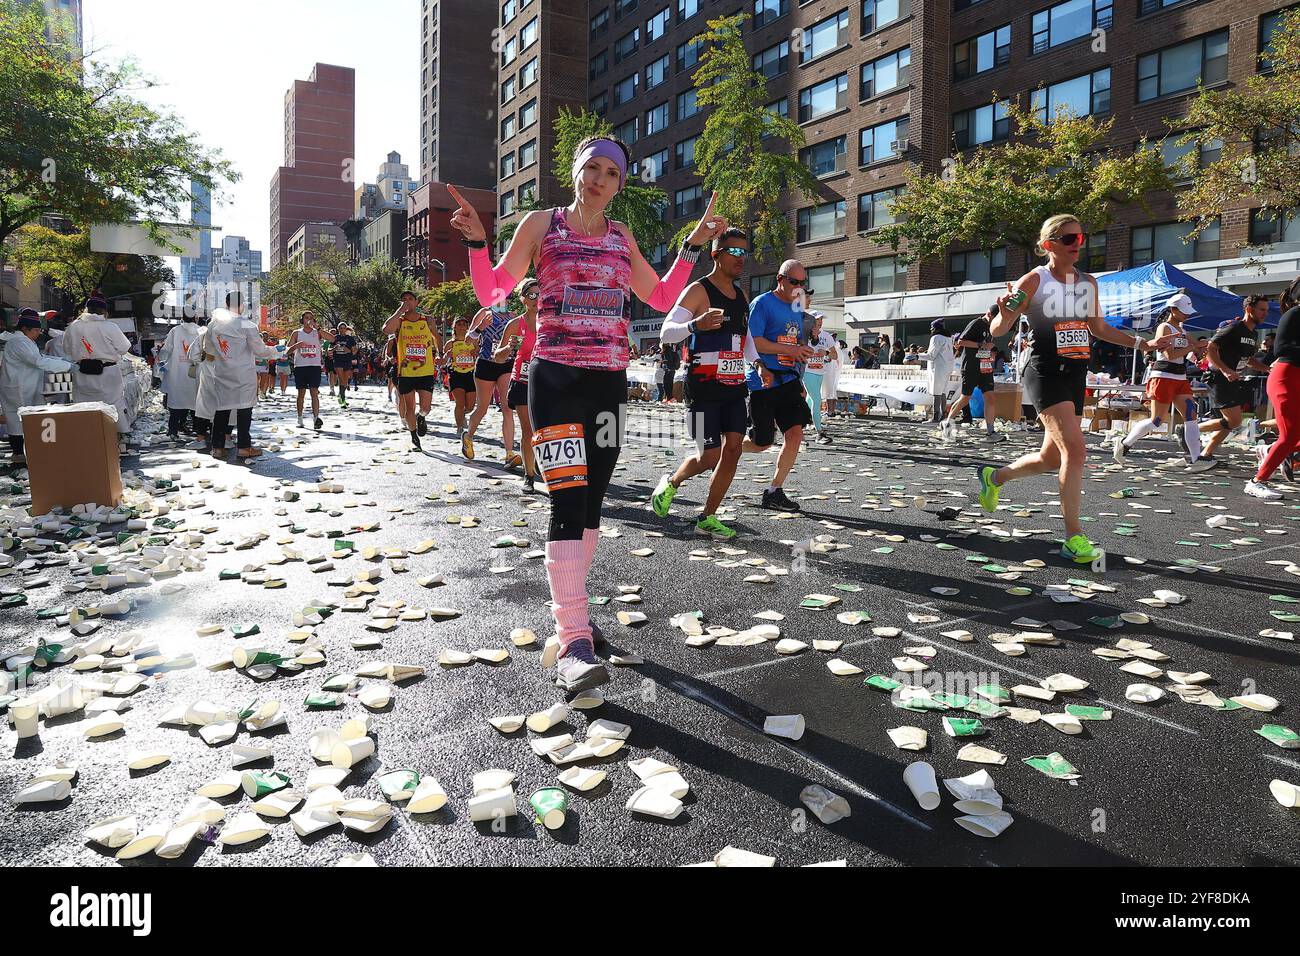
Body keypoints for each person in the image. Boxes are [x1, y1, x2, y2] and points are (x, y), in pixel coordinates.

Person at [447, 134, 726, 694]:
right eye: (591, 168)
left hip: (608, 384)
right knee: (568, 498)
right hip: (554, 380)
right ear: (575, 172)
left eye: (611, 173)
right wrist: (478, 243)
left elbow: (659, 295)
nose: (599, 179)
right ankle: (573, 638)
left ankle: (575, 617)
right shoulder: (539, 224)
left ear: (620, 185)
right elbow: (495, 291)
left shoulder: (622, 236)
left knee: (593, 502)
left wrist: (692, 247)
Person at [975, 214, 1166, 564]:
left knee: (1052, 457)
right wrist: (1002, 313)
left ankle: (994, 477)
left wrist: (1142, 344)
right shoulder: (1033, 280)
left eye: (1081, 237)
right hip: (1044, 370)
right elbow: (1001, 330)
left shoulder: (1088, 283)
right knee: (1076, 451)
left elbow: (1098, 328)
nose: (1078, 244)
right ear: (1049, 245)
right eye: (1068, 239)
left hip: (1076, 371)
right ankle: (1073, 536)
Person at [651, 227, 759, 539]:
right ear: (716, 254)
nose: (741, 258)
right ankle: (672, 483)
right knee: (710, 456)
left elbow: (746, 338)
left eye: (744, 252)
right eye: (734, 252)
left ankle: (707, 517)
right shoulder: (698, 291)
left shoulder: (741, 296)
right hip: (702, 388)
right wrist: (695, 324)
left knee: (734, 450)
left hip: (734, 388)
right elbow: (666, 332)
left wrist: (759, 363)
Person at [740, 259, 816, 512]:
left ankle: (774, 491)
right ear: (780, 279)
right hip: (764, 380)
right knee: (763, 443)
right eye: (794, 282)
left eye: (802, 283)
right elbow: (755, 343)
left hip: (789, 380)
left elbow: (794, 346)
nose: (798, 287)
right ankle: (728, 448)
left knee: (795, 434)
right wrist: (790, 349)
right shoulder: (762, 303)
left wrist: (799, 372)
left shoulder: (797, 306)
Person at [1114, 293, 1201, 464]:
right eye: (1184, 311)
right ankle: (1125, 443)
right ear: (1172, 310)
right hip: (1164, 376)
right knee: (1157, 420)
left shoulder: (1183, 330)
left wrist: (1201, 349)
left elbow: (1195, 348)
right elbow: (1169, 355)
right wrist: (1193, 346)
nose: (1187, 314)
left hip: (1180, 377)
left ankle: (1197, 459)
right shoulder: (1165, 328)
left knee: (1191, 415)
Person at [192, 291, 277, 461]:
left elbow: (208, 350)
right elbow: (260, 350)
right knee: (244, 410)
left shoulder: (214, 325)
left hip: (222, 373)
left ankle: (217, 448)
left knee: (222, 410)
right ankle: (244, 447)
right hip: (243, 375)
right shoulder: (247, 325)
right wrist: (275, 351)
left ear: (226, 303)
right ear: (242, 305)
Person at [1192, 295, 1274, 471]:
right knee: (1234, 420)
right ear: (1249, 309)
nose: (1265, 314)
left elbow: (1249, 359)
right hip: (1219, 378)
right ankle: (1191, 432)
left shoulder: (1252, 333)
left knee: (1232, 421)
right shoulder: (1234, 327)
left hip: (1232, 379)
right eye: (1262, 310)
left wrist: (1266, 368)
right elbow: (1211, 348)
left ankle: (1205, 453)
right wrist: (1225, 370)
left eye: (1267, 310)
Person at [1246, 278, 1300, 499]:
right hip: (1286, 376)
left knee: (1291, 435)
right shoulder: (1295, 314)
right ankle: (1256, 481)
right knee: (1288, 435)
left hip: (1293, 375)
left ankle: (1277, 452)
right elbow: (1281, 348)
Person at [63, 292, 132, 455]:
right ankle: (116, 441)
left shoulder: (74, 326)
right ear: (104, 311)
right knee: (113, 406)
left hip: (82, 373)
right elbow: (124, 347)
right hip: (108, 373)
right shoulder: (110, 327)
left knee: (83, 406)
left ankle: (87, 443)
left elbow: (66, 348)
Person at [0, 311, 71, 464]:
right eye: (36, 330)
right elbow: (38, 361)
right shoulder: (19, 342)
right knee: (17, 420)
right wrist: (68, 366)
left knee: (24, 419)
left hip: (25, 385)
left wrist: (62, 362)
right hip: (18, 387)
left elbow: (41, 358)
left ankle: (28, 451)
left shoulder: (25, 341)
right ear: (25, 329)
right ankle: (18, 453)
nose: (38, 333)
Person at [493, 277, 541, 490]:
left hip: (547, 381)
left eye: (539, 294)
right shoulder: (514, 324)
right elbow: (498, 357)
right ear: (522, 299)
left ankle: (543, 465)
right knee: (528, 430)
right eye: (531, 295)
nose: (536, 299)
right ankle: (529, 476)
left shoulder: (550, 322)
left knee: (548, 429)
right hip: (522, 381)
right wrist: (508, 348)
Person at [382, 290, 442, 450]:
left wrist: (440, 354)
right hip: (406, 372)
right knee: (410, 407)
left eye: (410, 299)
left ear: (416, 303)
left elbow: (437, 337)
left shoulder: (427, 320)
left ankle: (421, 417)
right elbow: (386, 329)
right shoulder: (399, 321)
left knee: (426, 407)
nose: (407, 302)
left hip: (426, 371)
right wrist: (399, 311)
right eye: (403, 300)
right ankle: (413, 435)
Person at [461, 305, 516, 462]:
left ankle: (509, 453)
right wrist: (480, 328)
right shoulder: (484, 313)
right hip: (486, 364)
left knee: (507, 407)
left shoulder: (513, 315)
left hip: (506, 364)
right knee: (482, 408)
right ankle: (468, 436)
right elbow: (467, 340)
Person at [942, 304, 1004, 442]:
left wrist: (990, 350)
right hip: (971, 365)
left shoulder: (992, 328)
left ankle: (990, 431)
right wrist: (981, 346)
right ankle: (947, 422)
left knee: (990, 397)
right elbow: (960, 341)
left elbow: (989, 345)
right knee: (965, 397)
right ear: (989, 314)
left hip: (985, 366)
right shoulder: (976, 323)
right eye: (995, 318)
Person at [286, 311, 333, 430]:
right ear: (302, 320)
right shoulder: (296, 333)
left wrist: (319, 328)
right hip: (300, 366)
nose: (309, 320)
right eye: (306, 318)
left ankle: (316, 418)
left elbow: (332, 339)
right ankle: (300, 418)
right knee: (301, 393)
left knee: (314, 392)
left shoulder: (317, 332)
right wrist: (296, 346)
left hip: (314, 366)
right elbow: (287, 350)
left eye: (311, 318)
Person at [157, 313, 201, 440]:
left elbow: (167, 349)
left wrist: (162, 363)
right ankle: (200, 433)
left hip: (177, 374)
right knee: (196, 403)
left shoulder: (175, 331)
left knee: (176, 403)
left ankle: (173, 431)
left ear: (182, 317)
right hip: (195, 373)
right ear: (195, 318)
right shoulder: (201, 331)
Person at [801, 310, 838, 444]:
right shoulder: (804, 334)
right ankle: (819, 432)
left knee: (811, 401)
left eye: (821, 319)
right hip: (807, 371)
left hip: (820, 372)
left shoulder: (826, 336)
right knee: (817, 399)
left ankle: (800, 427)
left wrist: (826, 352)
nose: (820, 322)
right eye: (817, 319)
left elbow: (835, 355)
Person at [442, 316, 479, 438]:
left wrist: (476, 353)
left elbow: (479, 354)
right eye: (459, 324)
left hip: (470, 374)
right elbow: (442, 361)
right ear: (454, 327)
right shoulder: (450, 343)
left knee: (470, 406)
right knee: (460, 403)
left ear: (468, 327)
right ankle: (459, 427)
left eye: (464, 324)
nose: (462, 326)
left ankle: (462, 416)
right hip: (456, 374)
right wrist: (447, 355)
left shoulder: (473, 341)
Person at [921, 319, 955, 424]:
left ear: (934, 328)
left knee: (936, 392)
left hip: (938, 368)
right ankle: (943, 414)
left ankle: (936, 416)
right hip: (947, 367)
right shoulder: (948, 338)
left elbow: (931, 355)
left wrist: (917, 356)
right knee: (942, 391)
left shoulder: (935, 338)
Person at [331, 322, 358, 407]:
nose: (342, 329)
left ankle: (341, 395)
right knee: (341, 378)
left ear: (346, 329)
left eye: (344, 328)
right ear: (338, 329)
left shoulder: (350, 339)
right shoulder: (335, 338)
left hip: (347, 360)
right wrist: (333, 348)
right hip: (338, 360)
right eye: (340, 328)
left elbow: (355, 350)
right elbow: (329, 349)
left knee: (345, 382)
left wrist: (350, 351)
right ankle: (342, 399)